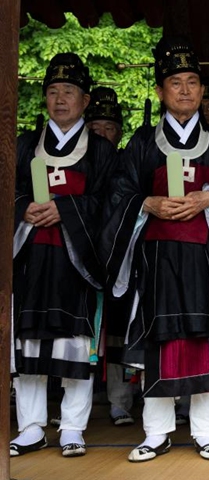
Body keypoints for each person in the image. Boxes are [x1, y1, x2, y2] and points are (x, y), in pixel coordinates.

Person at [101, 36, 209, 462]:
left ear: (202, 91)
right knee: (160, 342)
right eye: (175, 83)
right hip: (158, 260)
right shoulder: (143, 143)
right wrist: (146, 203)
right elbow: (119, 192)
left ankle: (207, 432)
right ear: (159, 91)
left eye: (191, 82)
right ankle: (156, 431)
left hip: (206, 256)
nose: (184, 90)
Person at [12, 53, 116, 457]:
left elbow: (110, 203)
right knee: (30, 344)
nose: (59, 99)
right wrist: (24, 207)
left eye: (68, 91)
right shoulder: (24, 145)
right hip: (32, 257)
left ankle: (73, 427)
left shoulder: (101, 152)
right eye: (52, 91)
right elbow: (11, 191)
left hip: (78, 262)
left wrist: (66, 209)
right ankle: (32, 426)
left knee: (75, 345)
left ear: (85, 100)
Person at [84, 86, 139, 427]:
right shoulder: (80, 161)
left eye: (108, 130)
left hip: (118, 256)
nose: (102, 136)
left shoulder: (126, 164)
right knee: (82, 330)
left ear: (119, 134)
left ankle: (121, 400)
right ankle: (80, 400)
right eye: (95, 130)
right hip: (85, 253)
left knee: (119, 330)